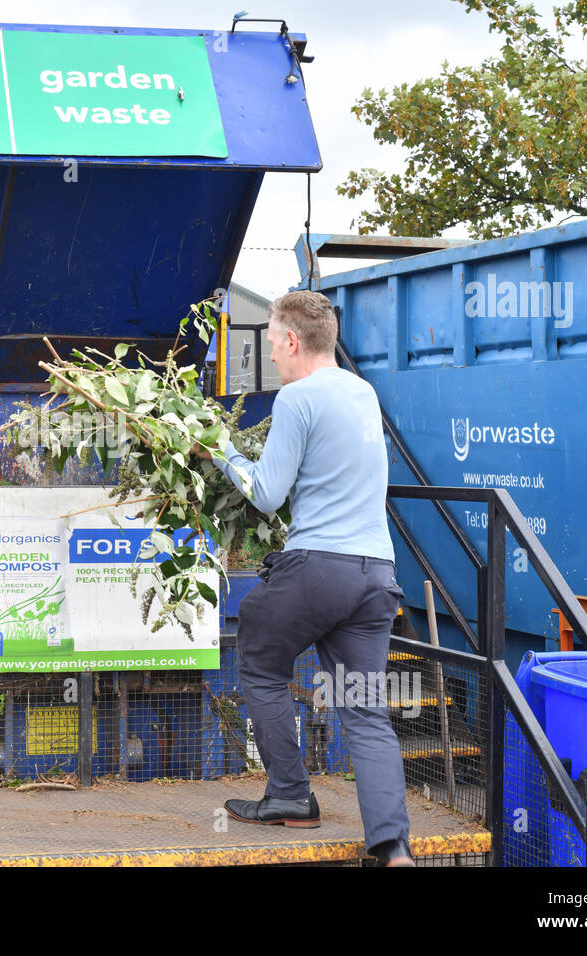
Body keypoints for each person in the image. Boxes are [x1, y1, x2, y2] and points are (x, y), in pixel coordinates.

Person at [202, 289, 414, 867]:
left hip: (318, 569)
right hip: (377, 576)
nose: (272, 356)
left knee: (260, 661)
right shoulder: (362, 391)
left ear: (292, 341)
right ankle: (394, 849)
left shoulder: (297, 399)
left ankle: (291, 795)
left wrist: (223, 452)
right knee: (365, 709)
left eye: (271, 344)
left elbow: (268, 496)